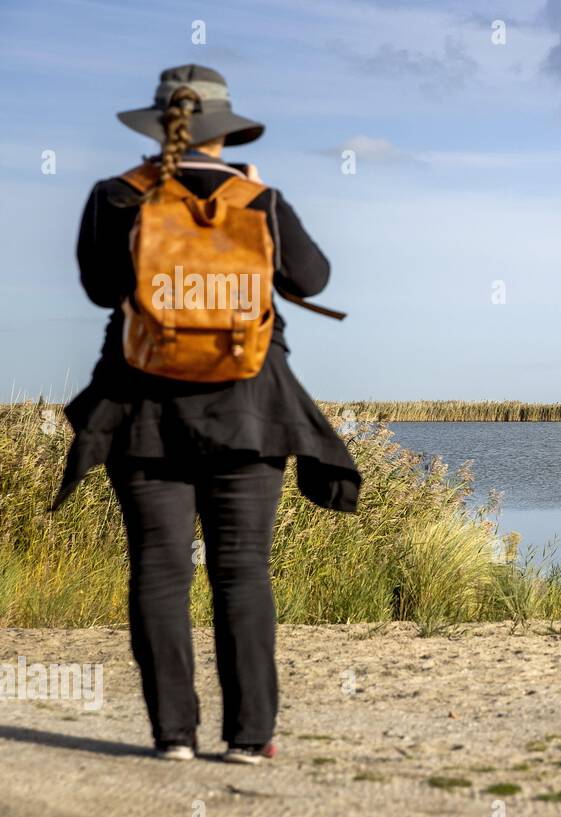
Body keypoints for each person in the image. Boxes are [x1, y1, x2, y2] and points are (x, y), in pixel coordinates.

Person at [53, 64, 362, 764]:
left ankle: (174, 738)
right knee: (241, 570)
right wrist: (254, 202)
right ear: (224, 134)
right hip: (249, 407)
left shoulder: (116, 195)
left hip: (141, 408)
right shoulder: (257, 197)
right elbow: (312, 280)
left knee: (160, 570)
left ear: (158, 126)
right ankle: (250, 738)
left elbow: (103, 290)